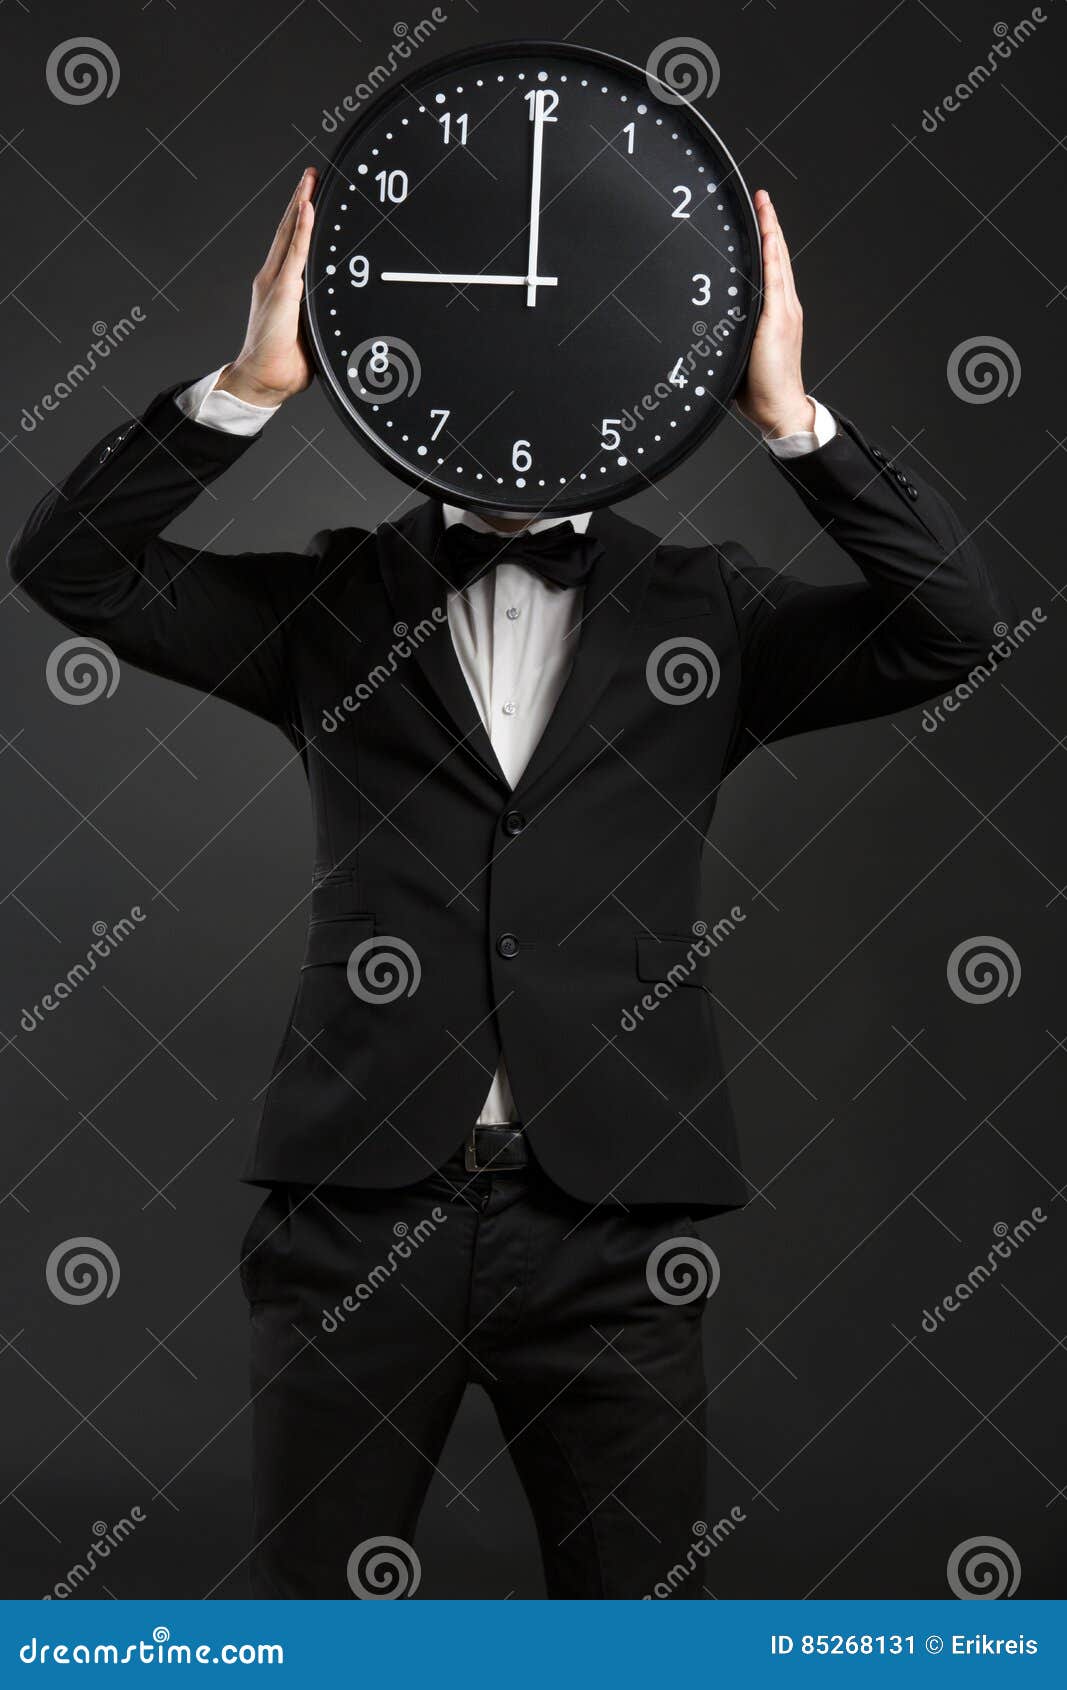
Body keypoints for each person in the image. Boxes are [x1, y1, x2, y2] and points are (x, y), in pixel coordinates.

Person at [8, 168, 1007, 1599]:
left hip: (610, 1225)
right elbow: (72, 572)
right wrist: (250, 381)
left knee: (634, 1634)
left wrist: (791, 419)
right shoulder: (327, 607)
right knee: (318, 1632)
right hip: (355, 1211)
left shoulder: (705, 611)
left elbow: (949, 627)